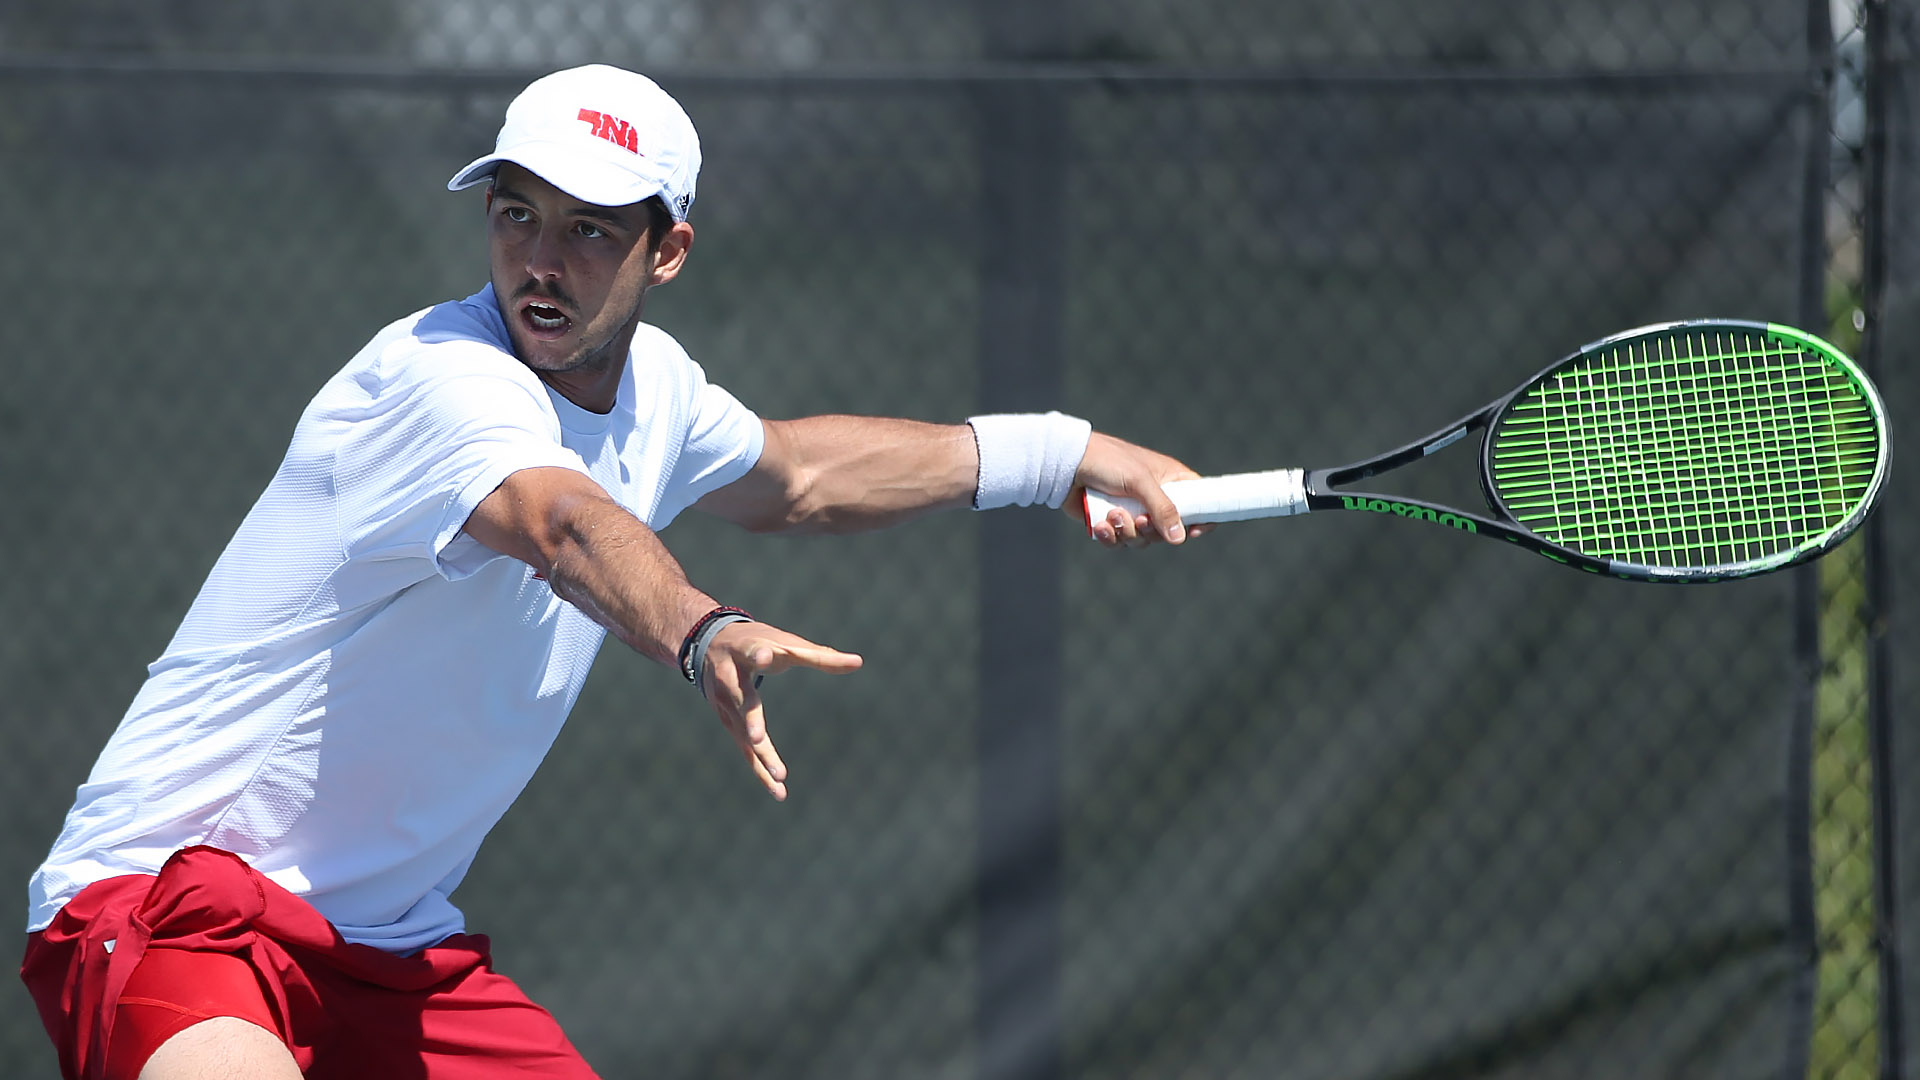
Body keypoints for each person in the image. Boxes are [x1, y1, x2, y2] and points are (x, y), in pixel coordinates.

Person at [20, 64, 1199, 1080]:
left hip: (385, 948)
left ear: (666, 251)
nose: (540, 259)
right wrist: (700, 628)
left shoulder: (662, 394)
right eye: (517, 215)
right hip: (170, 905)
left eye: (589, 230)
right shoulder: (438, 380)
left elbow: (797, 478)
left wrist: (1061, 450)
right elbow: (562, 524)